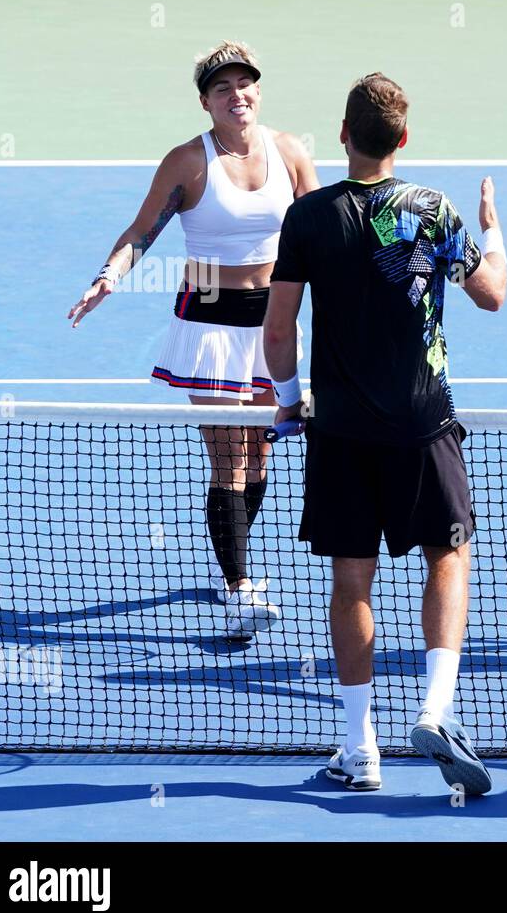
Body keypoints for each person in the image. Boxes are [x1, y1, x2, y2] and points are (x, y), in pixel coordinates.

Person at [264, 73, 507, 795]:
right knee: (448, 556)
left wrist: (287, 403)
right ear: (403, 139)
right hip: (424, 426)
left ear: (342, 135)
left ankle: (358, 748)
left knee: (350, 581)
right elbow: (492, 294)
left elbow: (278, 331)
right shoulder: (434, 210)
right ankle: (436, 708)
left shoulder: (306, 218)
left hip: (338, 432)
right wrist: (493, 229)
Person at [67, 41, 319, 640]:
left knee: (259, 462)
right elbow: (141, 230)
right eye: (224, 88)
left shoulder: (290, 152)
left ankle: (229, 558)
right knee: (229, 461)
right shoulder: (187, 162)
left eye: (246, 85)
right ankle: (238, 589)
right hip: (207, 324)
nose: (238, 96)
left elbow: (324, 229)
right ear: (205, 101)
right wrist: (110, 275)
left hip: (274, 325)